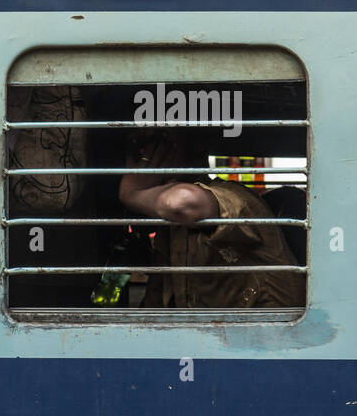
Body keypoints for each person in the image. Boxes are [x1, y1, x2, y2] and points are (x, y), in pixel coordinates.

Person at [118, 129, 302, 308]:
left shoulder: (235, 198)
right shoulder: (169, 227)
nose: (139, 157)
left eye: (152, 145)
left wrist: (131, 194)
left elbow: (181, 202)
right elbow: (156, 306)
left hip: (270, 335)